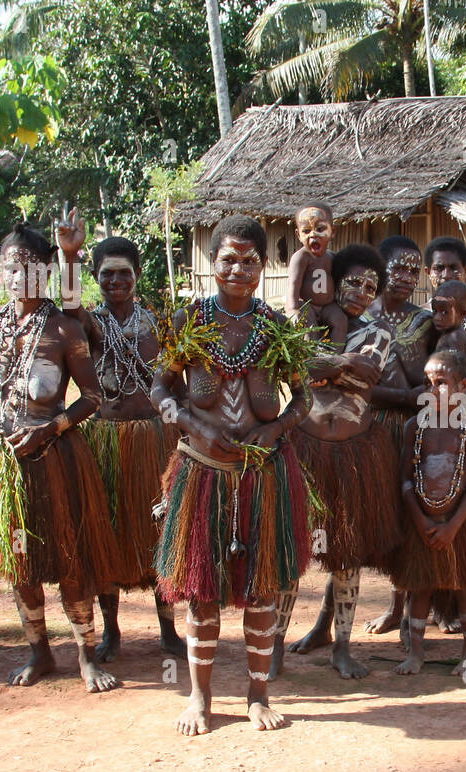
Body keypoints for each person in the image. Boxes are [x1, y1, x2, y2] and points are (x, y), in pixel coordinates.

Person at [151, 215, 312, 735]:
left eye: (249, 261)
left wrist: (278, 427)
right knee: (202, 589)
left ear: (262, 267)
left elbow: (305, 399)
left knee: (262, 585)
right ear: (211, 264)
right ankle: (199, 697)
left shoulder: (275, 329)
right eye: (228, 260)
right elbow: (160, 391)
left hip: (263, 473)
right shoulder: (188, 322)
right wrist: (193, 422)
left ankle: (258, 696)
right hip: (203, 471)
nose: (238, 270)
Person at [0, 219, 122, 691]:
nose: (18, 275)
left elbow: (92, 398)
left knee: (69, 558)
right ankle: (39, 652)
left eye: (29, 266)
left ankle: (86, 656)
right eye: (10, 266)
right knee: (20, 558)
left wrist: (50, 429)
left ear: (46, 271)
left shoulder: (65, 328)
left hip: (54, 461)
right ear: (0, 271)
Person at [276, 245, 400, 679]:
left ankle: (342, 648)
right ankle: (273, 648)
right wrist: (337, 362)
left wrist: (330, 365)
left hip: (354, 455)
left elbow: (361, 374)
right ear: (332, 279)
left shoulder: (380, 333)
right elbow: (298, 367)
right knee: (290, 552)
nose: (363, 293)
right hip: (303, 450)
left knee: (346, 553)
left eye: (372, 287)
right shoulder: (304, 322)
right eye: (355, 282)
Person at [62, 233, 185, 661]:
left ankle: (168, 630)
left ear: (137, 276)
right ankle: (111, 631)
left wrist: (185, 436)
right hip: (107, 441)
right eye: (107, 274)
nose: (116, 281)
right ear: (96, 278)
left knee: (160, 529)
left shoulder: (158, 326)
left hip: (155, 438)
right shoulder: (91, 324)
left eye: (124, 273)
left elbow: (178, 386)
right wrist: (69, 255)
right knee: (108, 530)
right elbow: (70, 303)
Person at [393, 350, 466, 676]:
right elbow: (406, 479)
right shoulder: (414, 427)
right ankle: (416, 653)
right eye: (428, 383)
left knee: (463, 587)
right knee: (420, 587)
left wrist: (453, 526)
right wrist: (420, 521)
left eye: (441, 383)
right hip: (422, 523)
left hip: (458, 526)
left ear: (462, 386)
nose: (432, 390)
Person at [362, 236, 437, 636]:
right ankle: (391, 608)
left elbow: (439, 377)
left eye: (414, 270)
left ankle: (410, 610)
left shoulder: (425, 321)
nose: (408, 277)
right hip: (372, 430)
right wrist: (403, 394)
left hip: (415, 431)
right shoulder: (360, 315)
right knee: (382, 516)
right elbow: (354, 384)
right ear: (380, 271)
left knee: (411, 516)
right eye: (399, 269)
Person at [286, 202, 346, 342]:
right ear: (298, 235)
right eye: (306, 231)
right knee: (306, 322)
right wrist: (292, 309)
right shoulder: (301, 257)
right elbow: (293, 285)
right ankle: (312, 355)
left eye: (320, 229)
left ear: (333, 232)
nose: (313, 235)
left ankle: (336, 358)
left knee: (341, 321)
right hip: (308, 305)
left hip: (328, 307)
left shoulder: (333, 258)